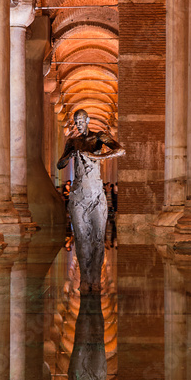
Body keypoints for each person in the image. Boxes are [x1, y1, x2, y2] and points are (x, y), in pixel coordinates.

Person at [56, 109, 125, 292]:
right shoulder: (72, 141)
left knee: (96, 238)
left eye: (80, 120)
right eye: (76, 121)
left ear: (87, 120)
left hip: (96, 195)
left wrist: (97, 157)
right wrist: (68, 156)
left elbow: (120, 150)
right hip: (78, 195)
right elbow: (59, 164)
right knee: (81, 238)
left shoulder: (99, 137)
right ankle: (85, 278)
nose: (78, 124)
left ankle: (95, 278)